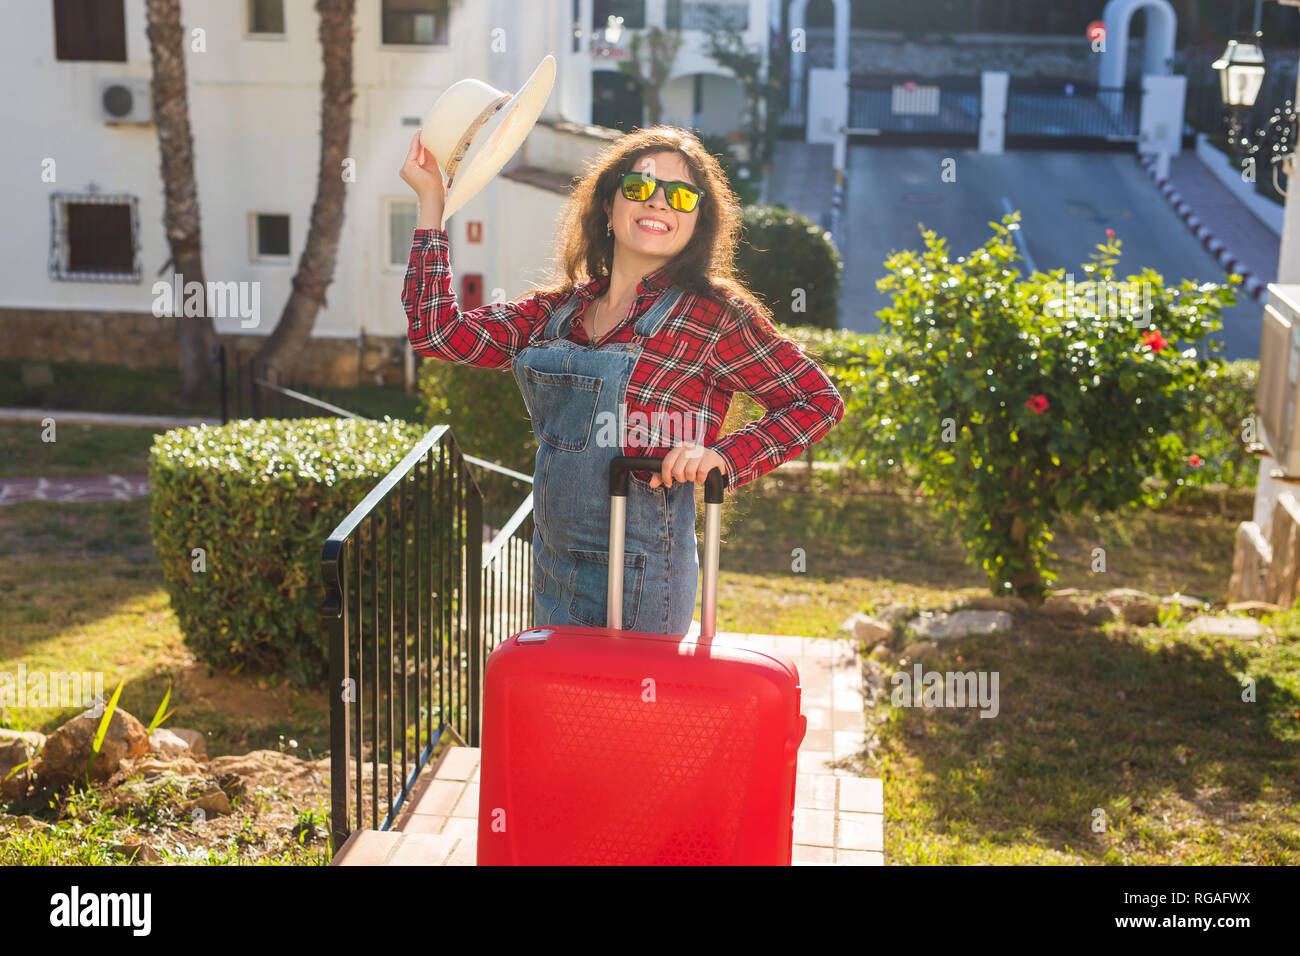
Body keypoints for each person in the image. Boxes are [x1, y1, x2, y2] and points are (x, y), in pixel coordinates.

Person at [399, 124, 844, 636]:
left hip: (642, 577)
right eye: (639, 188)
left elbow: (817, 400)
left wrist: (722, 457)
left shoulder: (715, 316)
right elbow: (437, 332)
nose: (658, 204)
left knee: (624, 713)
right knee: (560, 713)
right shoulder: (560, 311)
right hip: (551, 565)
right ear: (609, 207)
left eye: (680, 195)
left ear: (698, 221)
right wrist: (431, 203)